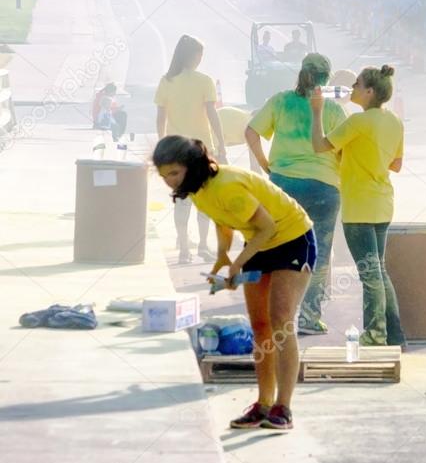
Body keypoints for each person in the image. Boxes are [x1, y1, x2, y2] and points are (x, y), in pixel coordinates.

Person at [153, 136, 314, 431]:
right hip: (259, 243)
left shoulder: (226, 185)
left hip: (292, 238)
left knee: (281, 320)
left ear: (192, 165)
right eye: (164, 176)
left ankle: (284, 407)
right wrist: (222, 255)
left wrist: (238, 263)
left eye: (174, 173)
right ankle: (263, 403)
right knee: (261, 326)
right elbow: (222, 219)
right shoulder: (198, 188)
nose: (169, 182)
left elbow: (269, 226)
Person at [246, 54, 346, 335]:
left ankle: (275, 314)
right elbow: (344, 150)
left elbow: (251, 133)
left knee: (277, 248)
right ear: (327, 80)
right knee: (319, 253)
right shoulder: (335, 111)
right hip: (324, 188)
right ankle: (310, 318)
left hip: (284, 186)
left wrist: (267, 165)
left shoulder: (280, 101)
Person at [310, 65, 406, 346]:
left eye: (357, 84)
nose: (352, 88)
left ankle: (376, 333)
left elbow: (319, 145)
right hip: (382, 201)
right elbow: (397, 164)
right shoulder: (394, 122)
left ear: (369, 91)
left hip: (359, 205)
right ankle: (393, 332)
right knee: (378, 269)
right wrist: (364, 158)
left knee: (370, 273)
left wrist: (317, 112)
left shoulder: (357, 123)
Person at [155, 35, 227, 264]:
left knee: (182, 199)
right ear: (193, 56)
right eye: (200, 55)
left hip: (176, 150)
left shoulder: (167, 81)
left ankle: (184, 248)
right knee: (204, 198)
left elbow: (160, 117)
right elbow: (212, 115)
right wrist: (221, 144)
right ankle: (203, 245)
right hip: (201, 149)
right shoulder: (204, 81)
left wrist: (161, 142)